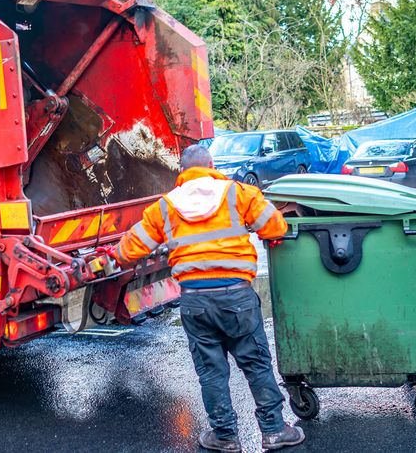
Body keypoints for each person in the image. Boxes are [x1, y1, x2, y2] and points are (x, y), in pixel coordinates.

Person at [112, 144, 305, 452]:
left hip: (195, 302)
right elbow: (275, 227)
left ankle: (225, 436)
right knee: (255, 364)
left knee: (212, 372)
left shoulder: (165, 206)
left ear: (182, 173)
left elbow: (128, 251)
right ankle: (274, 430)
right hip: (236, 297)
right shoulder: (239, 193)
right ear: (212, 165)